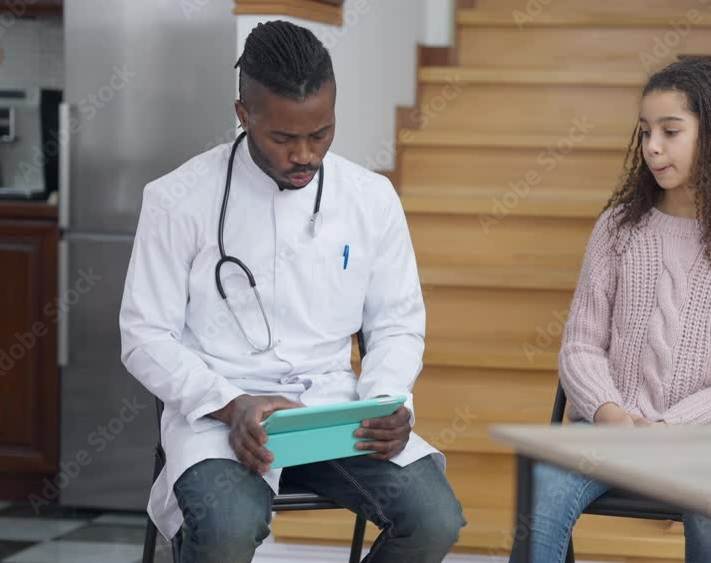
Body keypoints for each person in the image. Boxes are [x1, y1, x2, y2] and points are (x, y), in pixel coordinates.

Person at [119, 20, 465, 563]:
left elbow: (396, 323)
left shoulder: (371, 200)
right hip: (220, 413)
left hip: (332, 412)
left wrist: (386, 399)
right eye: (283, 138)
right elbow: (144, 336)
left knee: (434, 518)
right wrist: (230, 405)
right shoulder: (177, 199)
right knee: (230, 526)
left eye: (320, 133)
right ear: (243, 115)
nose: (305, 154)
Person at [509, 58, 711, 563]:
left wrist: (673, 428)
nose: (652, 148)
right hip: (612, 433)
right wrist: (611, 414)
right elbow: (580, 346)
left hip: (710, 444)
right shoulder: (619, 229)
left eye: (670, 131)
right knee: (543, 488)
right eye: (645, 132)